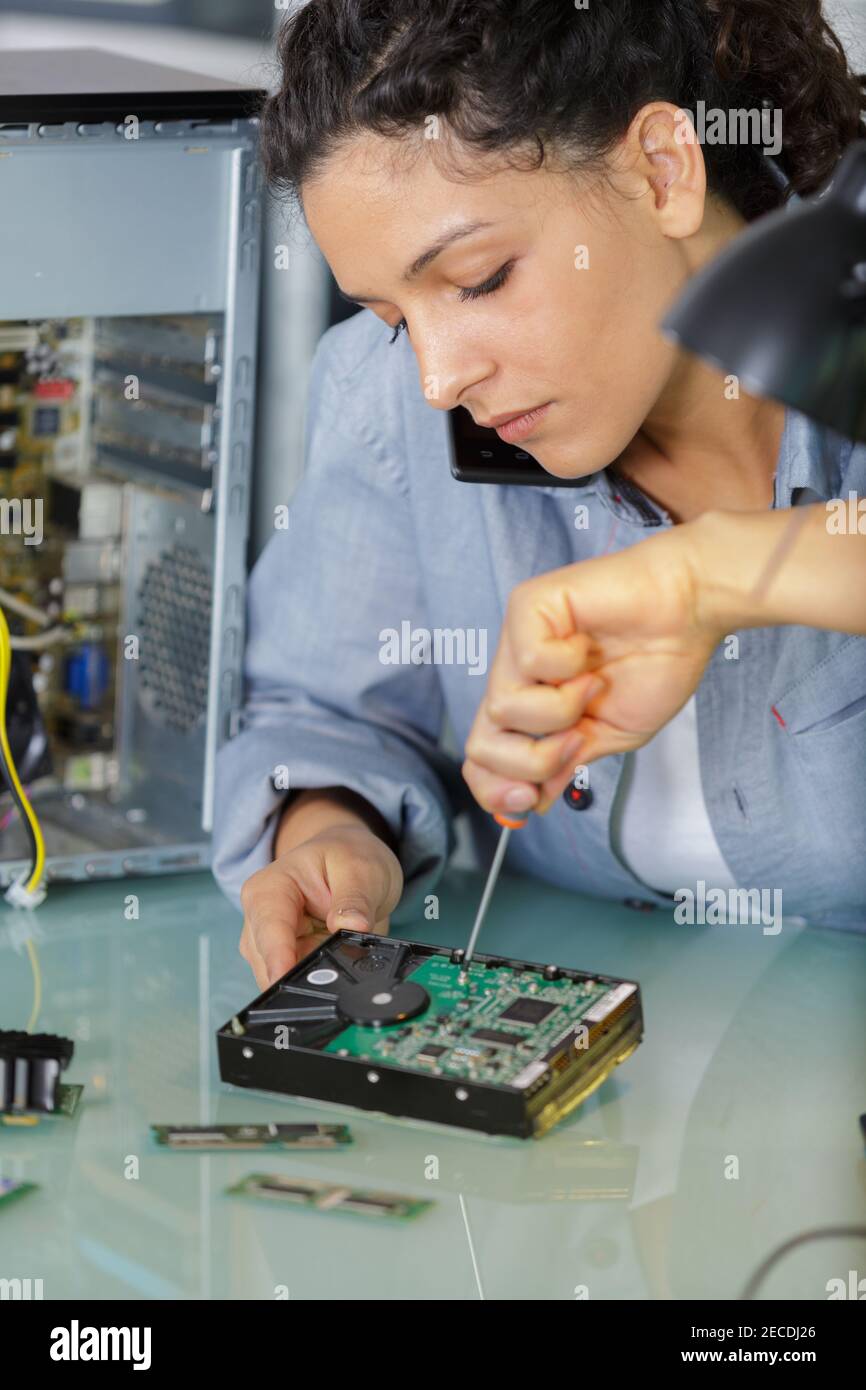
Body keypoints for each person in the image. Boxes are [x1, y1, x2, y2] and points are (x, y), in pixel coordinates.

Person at [212, 0, 866, 989]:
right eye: (391, 315)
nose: (439, 379)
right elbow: (320, 709)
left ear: (660, 169)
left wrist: (711, 574)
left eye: (477, 279)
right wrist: (328, 831)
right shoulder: (393, 398)